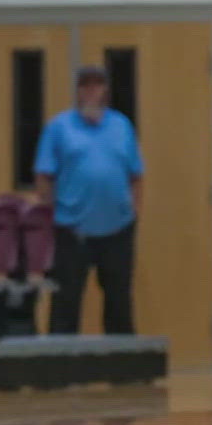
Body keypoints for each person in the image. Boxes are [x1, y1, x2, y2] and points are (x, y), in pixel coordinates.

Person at [34, 67, 142, 336]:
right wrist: (53, 211)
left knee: (119, 301)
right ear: (78, 91)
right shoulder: (59, 127)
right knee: (66, 301)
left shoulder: (122, 125)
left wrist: (135, 211)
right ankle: (60, 360)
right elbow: (44, 175)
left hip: (118, 229)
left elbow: (136, 174)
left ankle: (122, 360)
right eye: (86, 85)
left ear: (106, 90)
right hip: (72, 229)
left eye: (97, 85)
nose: (91, 91)